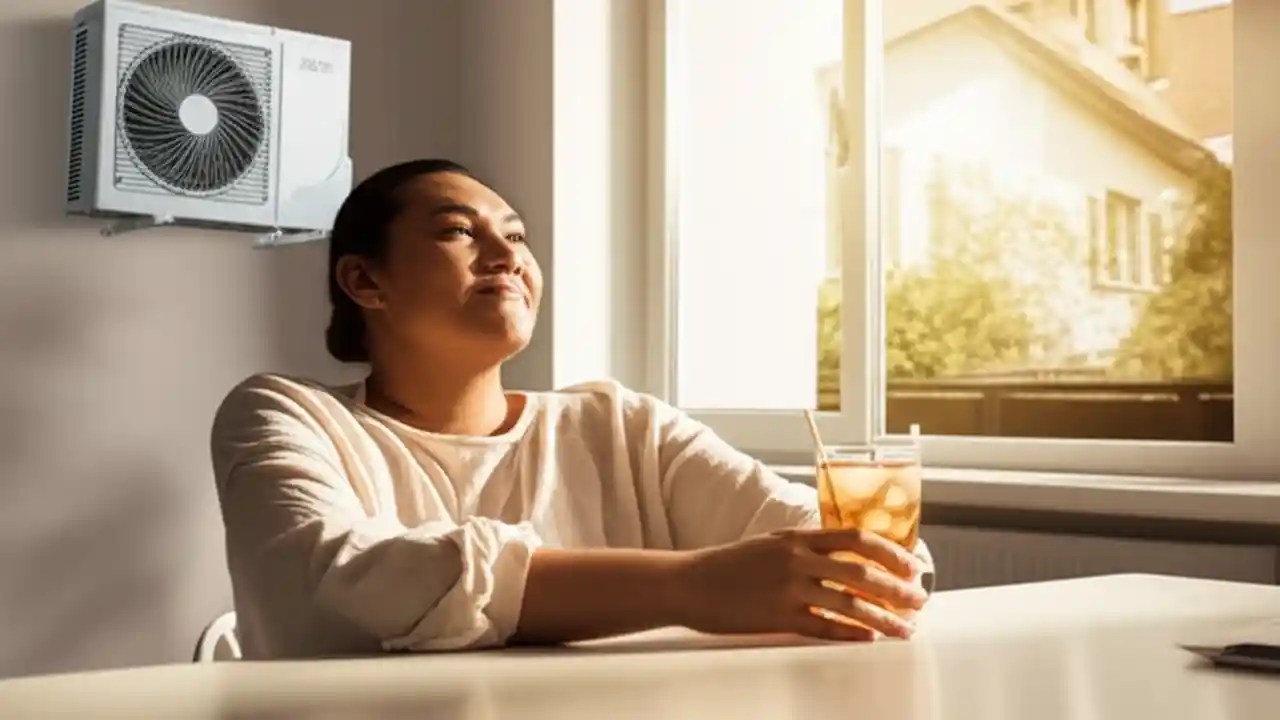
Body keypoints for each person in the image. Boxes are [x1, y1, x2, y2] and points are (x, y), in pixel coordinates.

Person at [211, 159, 934, 659]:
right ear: (365, 280)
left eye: (518, 236)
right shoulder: (283, 415)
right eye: (459, 231)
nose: (507, 254)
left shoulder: (622, 427)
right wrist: (693, 587)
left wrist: (865, 569)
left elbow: (843, 552)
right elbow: (343, 580)